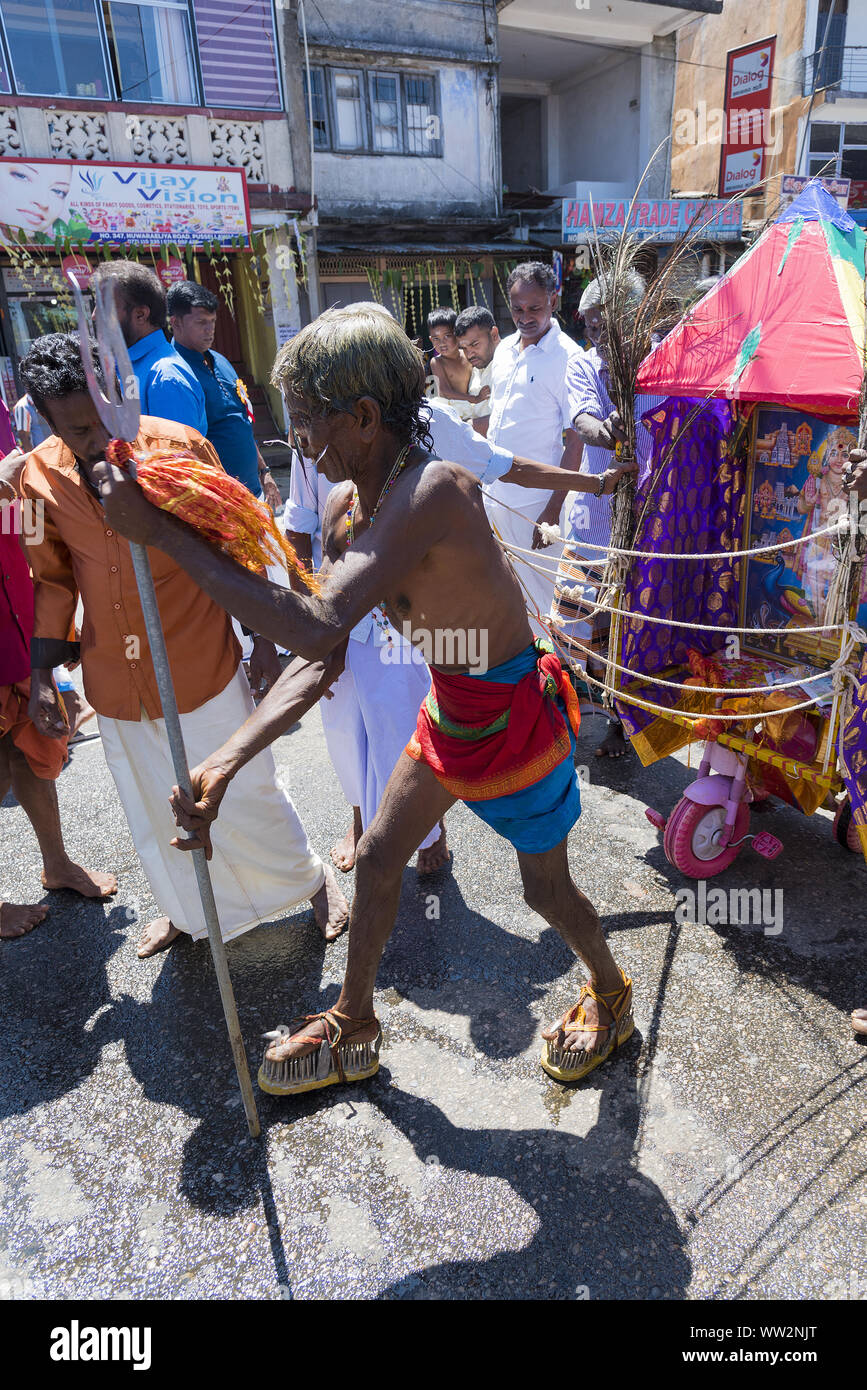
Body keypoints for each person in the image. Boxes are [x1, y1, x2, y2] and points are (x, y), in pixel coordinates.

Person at [94, 304, 634, 1094]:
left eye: (308, 425)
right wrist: (226, 758)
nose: (301, 447)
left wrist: (162, 534)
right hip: (450, 707)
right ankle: (354, 1019)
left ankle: (612, 994)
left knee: (542, 890)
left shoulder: (435, 492)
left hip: (513, 716)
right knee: (380, 855)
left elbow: (311, 624)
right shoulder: (356, 508)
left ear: (366, 416)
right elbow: (323, 654)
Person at [19, 333, 348, 958]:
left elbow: (238, 546)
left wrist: (264, 642)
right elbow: (52, 581)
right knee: (150, 807)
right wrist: (41, 678)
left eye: (99, 421)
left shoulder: (176, 446)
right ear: (43, 417)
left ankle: (310, 880)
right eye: (75, 431)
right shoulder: (38, 478)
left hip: (198, 661)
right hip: (116, 679)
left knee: (244, 789)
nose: (95, 443)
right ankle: (187, 910)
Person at [0, 448, 116, 938]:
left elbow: (26, 536)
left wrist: (52, 639)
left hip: (19, 630)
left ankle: (57, 864)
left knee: (29, 750)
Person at [562, 272, 667, 758]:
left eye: (608, 328)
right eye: (593, 329)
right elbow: (584, 421)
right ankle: (597, 714)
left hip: (655, 519)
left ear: (637, 319)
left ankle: (633, 724)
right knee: (582, 626)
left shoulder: (670, 359)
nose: (599, 339)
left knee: (639, 626)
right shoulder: (584, 366)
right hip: (596, 520)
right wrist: (610, 428)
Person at [484, 262, 584, 637]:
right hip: (494, 498)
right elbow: (498, 421)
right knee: (507, 595)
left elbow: (575, 440)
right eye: (517, 308)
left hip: (536, 506)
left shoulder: (569, 358)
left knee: (544, 601)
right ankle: (523, 679)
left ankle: (554, 683)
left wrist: (553, 510)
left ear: (553, 300)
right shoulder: (504, 350)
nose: (525, 317)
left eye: (535, 308)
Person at [164, 281, 282, 513]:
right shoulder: (174, 374)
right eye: (201, 323)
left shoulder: (222, 361)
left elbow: (240, 422)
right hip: (217, 503)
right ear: (175, 322)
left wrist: (265, 472)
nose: (210, 330)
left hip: (251, 493)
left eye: (213, 322)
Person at [89, 260, 204, 425]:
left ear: (141, 315)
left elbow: (176, 450)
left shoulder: (166, 379)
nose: (94, 315)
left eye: (104, 305)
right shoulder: (123, 365)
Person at [427, 308, 490, 422]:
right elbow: (444, 391)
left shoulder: (468, 355)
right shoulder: (437, 362)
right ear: (431, 340)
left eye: (447, 336)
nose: (442, 343)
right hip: (453, 410)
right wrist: (475, 399)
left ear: (456, 335)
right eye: (436, 338)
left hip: (471, 408)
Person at [454, 306, 499, 436]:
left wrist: (464, 428)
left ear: (494, 335)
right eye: (464, 348)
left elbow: (510, 417)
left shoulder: (511, 365)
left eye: (474, 344)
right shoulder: (473, 369)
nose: (469, 354)